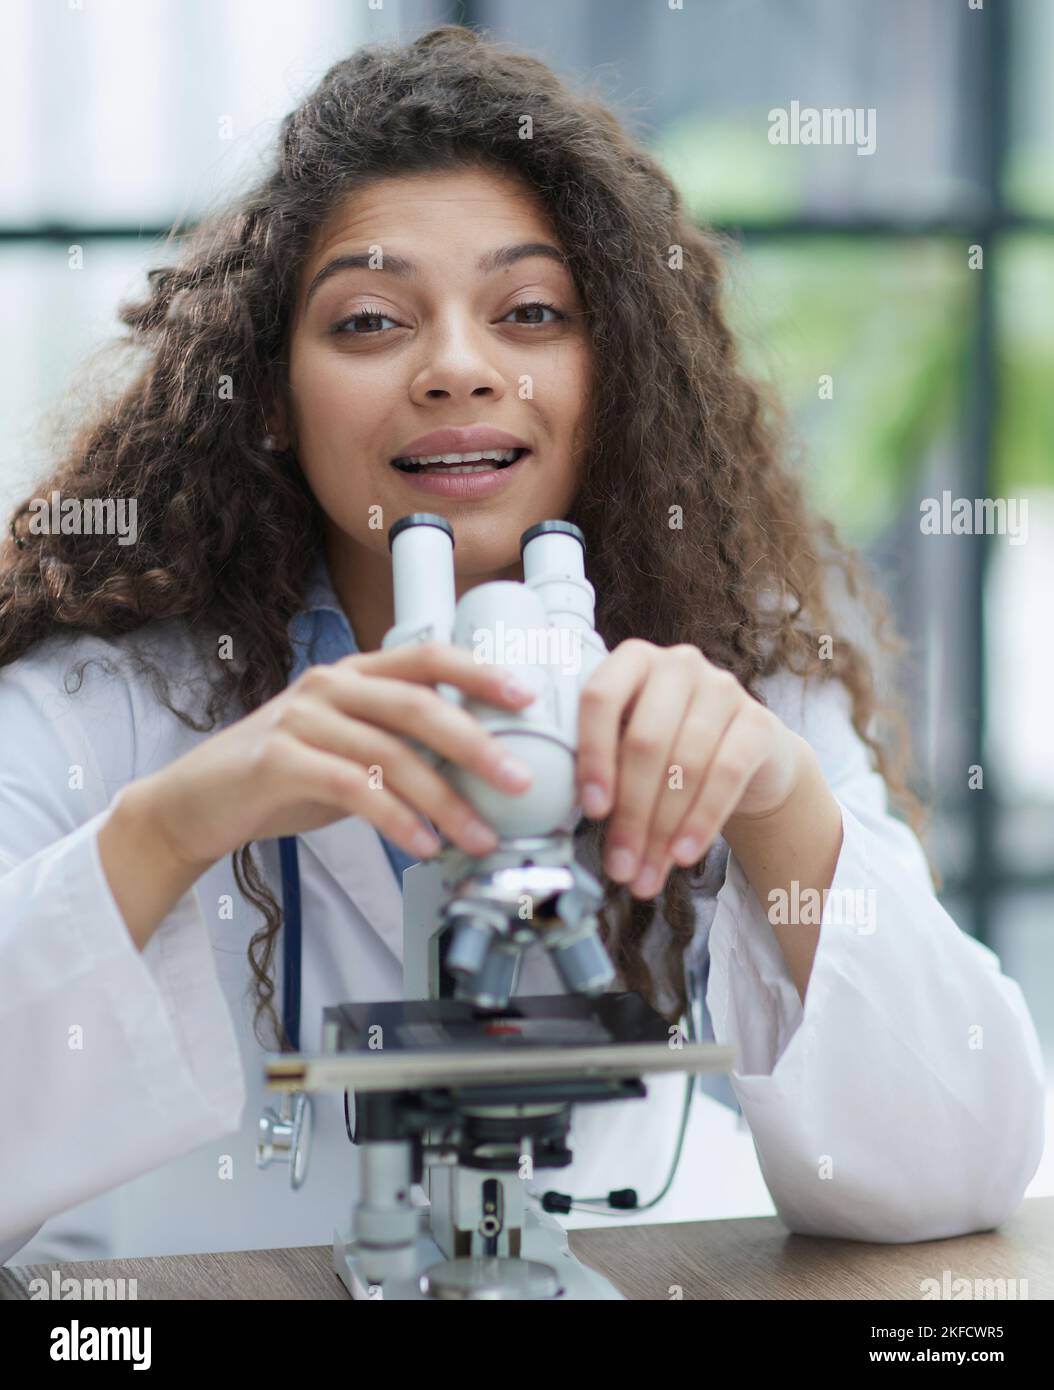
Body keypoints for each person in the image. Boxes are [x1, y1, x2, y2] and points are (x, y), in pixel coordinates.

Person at [0, 26, 1043, 1267]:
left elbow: (959, 1164)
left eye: (531, 312)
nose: (456, 367)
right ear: (268, 394)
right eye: (373, 320)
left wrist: (777, 806)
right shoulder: (96, 713)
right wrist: (170, 829)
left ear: (612, 373)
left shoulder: (732, 686)